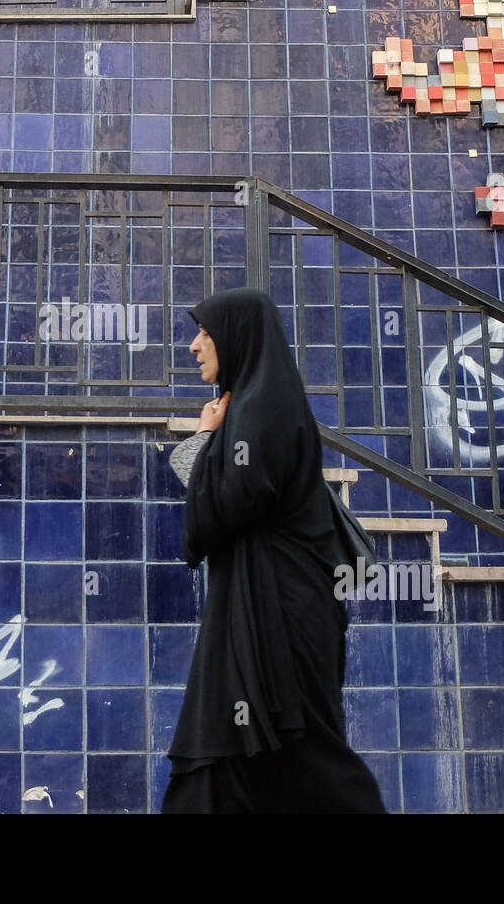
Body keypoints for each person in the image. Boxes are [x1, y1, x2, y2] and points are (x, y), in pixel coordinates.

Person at [160, 286, 387, 814]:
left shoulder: (264, 408)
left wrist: (200, 439)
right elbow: (223, 501)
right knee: (233, 750)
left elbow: (227, 506)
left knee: (297, 749)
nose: (194, 346)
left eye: (205, 333)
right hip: (264, 612)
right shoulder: (254, 406)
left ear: (237, 338)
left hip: (281, 619)